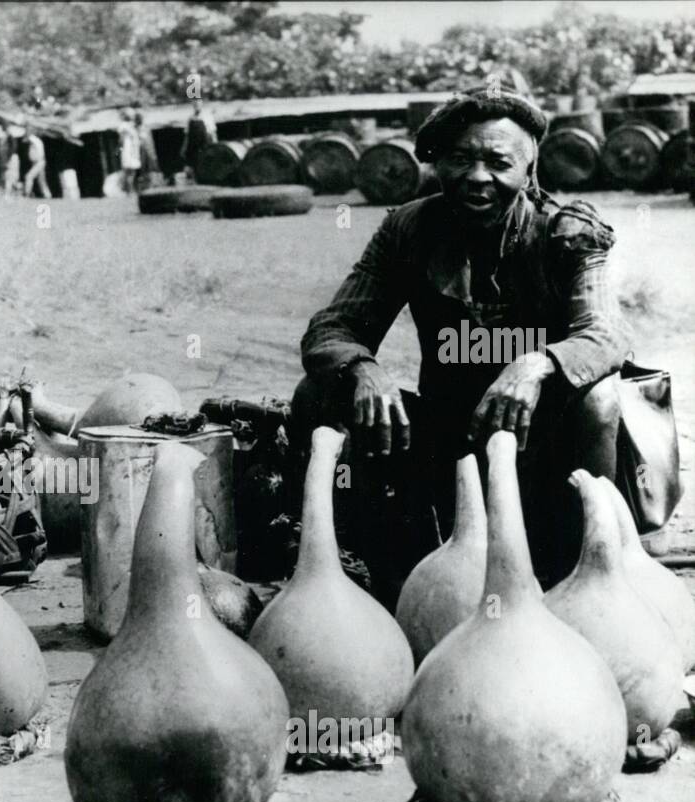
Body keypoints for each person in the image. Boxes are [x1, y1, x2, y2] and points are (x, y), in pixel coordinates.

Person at [290, 84, 624, 605]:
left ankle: (583, 579)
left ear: (529, 170)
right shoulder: (408, 228)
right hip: (446, 440)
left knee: (601, 398)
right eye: (460, 159)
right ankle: (390, 579)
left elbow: (606, 334)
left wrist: (539, 363)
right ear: (436, 163)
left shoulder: (565, 232)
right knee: (319, 393)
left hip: (542, 448)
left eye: (497, 162)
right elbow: (333, 326)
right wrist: (361, 368)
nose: (477, 177)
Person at [180, 99, 217, 180]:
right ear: (193, 106)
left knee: (205, 161)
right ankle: (195, 179)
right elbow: (187, 135)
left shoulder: (207, 116)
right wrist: (184, 147)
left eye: (198, 104)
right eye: (195, 104)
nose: (197, 106)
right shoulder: (190, 118)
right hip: (193, 145)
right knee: (193, 163)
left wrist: (215, 145)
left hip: (204, 143)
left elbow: (213, 132)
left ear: (201, 105)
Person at [117, 109, 141, 194]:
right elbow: (122, 139)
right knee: (129, 171)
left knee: (132, 171)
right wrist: (120, 149)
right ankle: (128, 190)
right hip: (128, 149)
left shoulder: (131, 125)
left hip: (133, 149)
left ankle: (131, 190)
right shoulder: (124, 126)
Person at [22, 131, 50, 199]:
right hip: (39, 162)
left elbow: (25, 140)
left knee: (29, 177)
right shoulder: (36, 141)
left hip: (38, 162)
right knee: (41, 181)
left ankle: (27, 194)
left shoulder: (36, 141)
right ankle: (47, 195)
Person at [0, 119, 21, 196]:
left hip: (10, 158)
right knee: (6, 176)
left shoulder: (10, 135)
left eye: (3, 125)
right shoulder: (3, 135)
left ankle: (9, 193)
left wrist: (9, 157)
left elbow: (13, 147)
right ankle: (9, 192)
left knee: (10, 176)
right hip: (5, 158)